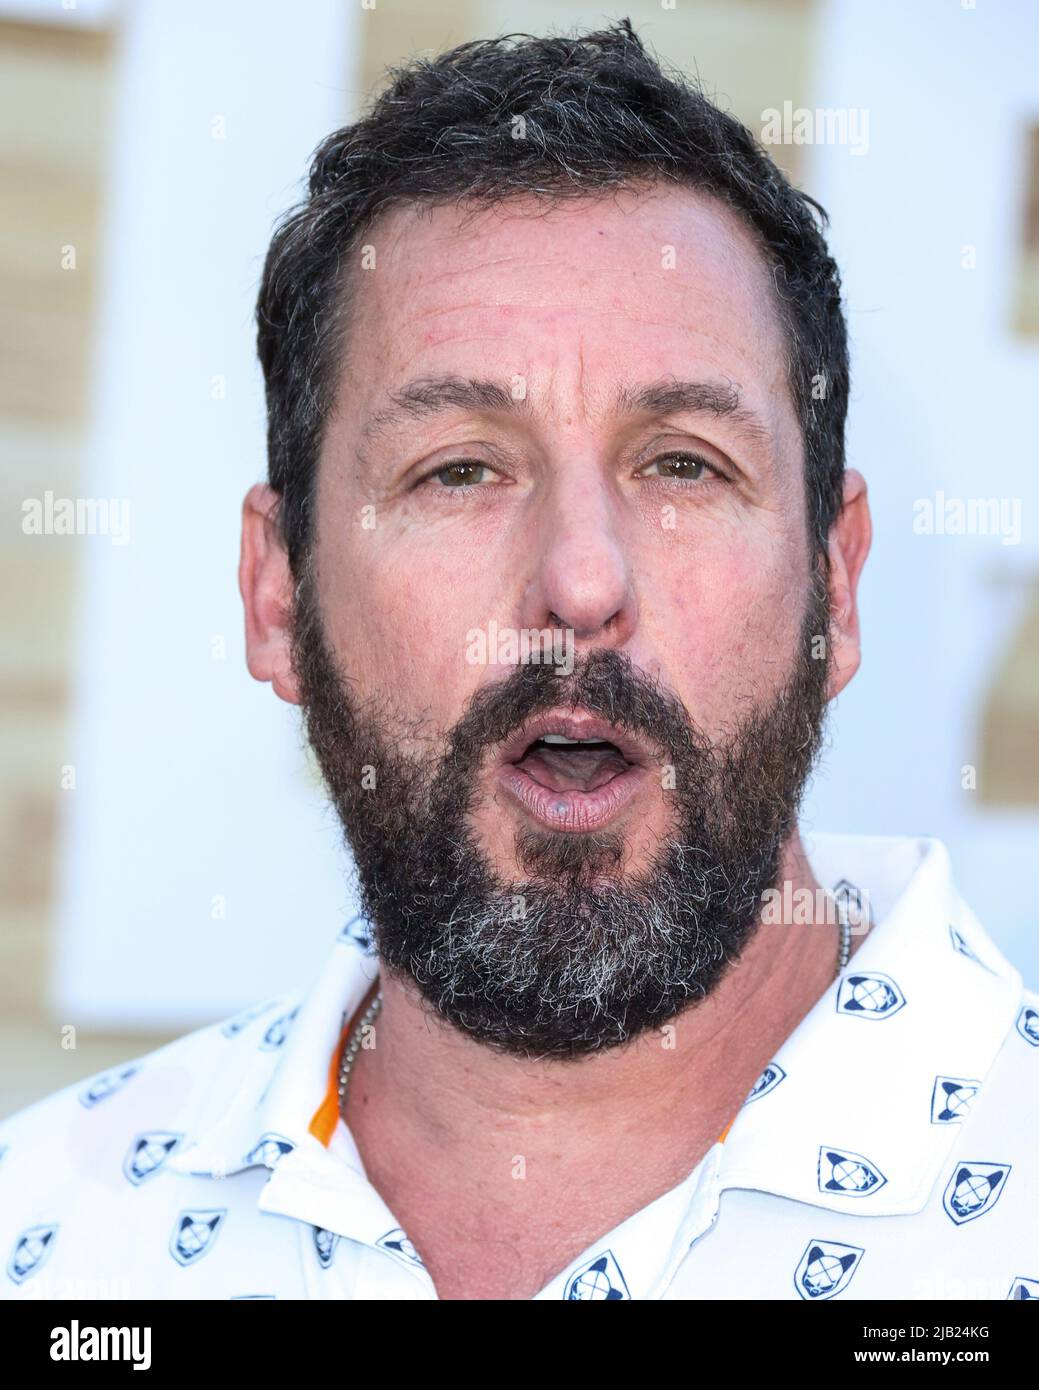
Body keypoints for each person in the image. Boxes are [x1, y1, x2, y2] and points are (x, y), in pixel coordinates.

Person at [2, 19, 1036, 1303]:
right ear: (277, 591)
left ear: (833, 582)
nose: (582, 581)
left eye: (682, 464)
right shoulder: (44, 1234)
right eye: (459, 470)